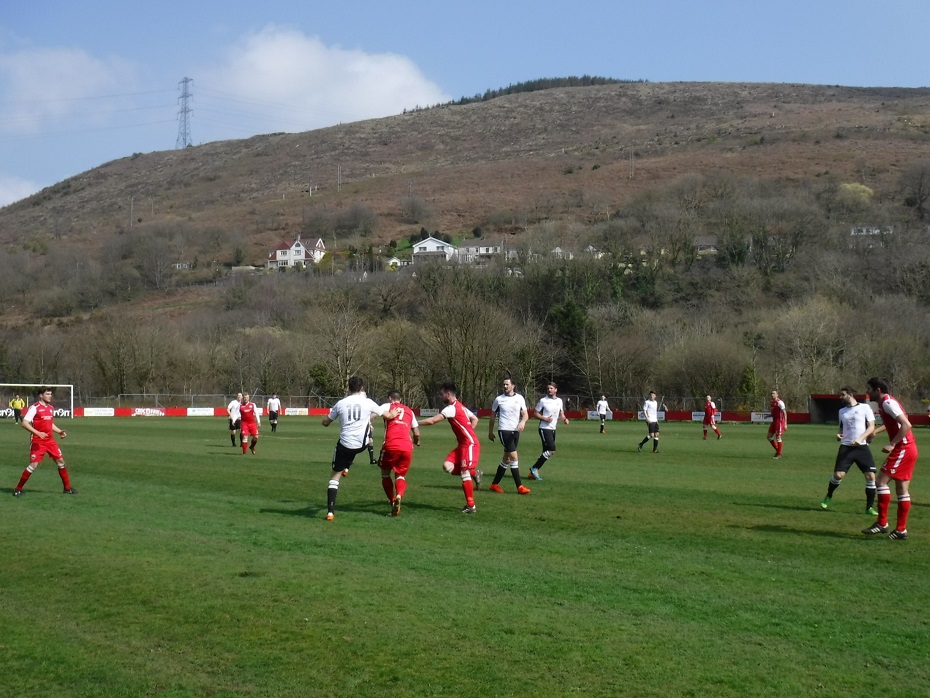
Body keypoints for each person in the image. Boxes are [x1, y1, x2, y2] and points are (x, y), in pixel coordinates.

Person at [322, 377, 398, 521]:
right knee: (366, 436)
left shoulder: (341, 403)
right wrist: (394, 414)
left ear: (348, 388)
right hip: (362, 445)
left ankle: (330, 512)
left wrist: (324, 421)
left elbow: (326, 422)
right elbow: (388, 415)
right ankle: (347, 467)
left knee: (334, 476)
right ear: (362, 388)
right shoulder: (368, 402)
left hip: (345, 445)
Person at [862, 377, 918, 540]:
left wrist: (892, 444)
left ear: (877, 389)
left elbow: (907, 425)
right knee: (901, 490)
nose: (867, 392)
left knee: (880, 482)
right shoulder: (886, 402)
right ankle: (901, 530)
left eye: (869, 388)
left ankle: (882, 523)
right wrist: (874, 432)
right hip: (908, 448)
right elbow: (895, 422)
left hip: (903, 448)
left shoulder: (887, 403)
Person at [419, 381, 482, 513]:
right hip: (464, 444)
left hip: (469, 444)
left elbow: (432, 421)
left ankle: (471, 505)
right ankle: (475, 473)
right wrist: (468, 432)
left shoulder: (451, 408)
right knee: (447, 466)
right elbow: (475, 419)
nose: (440, 397)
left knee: (464, 472)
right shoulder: (461, 406)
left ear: (448, 394)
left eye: (441, 394)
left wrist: (413, 423)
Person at [821, 387, 877, 515]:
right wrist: (839, 435)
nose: (840, 397)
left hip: (862, 447)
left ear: (850, 394)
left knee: (870, 476)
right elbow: (842, 428)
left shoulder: (865, 408)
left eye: (842, 394)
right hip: (846, 447)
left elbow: (872, 427)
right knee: (838, 475)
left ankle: (869, 508)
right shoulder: (842, 411)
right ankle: (829, 495)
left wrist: (860, 438)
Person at [12, 387, 76, 496]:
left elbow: (50, 424)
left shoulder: (51, 408)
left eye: (50, 394)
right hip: (38, 441)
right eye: (47, 394)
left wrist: (59, 431)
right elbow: (25, 423)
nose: (50, 396)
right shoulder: (34, 408)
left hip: (50, 441)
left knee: (61, 462)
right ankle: (18, 489)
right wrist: (37, 433)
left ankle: (67, 488)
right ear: (41, 395)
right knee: (34, 465)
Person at [378, 389, 420, 516]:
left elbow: (374, 413)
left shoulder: (387, 406)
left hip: (391, 445)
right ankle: (399, 495)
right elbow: (417, 433)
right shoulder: (409, 411)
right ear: (400, 399)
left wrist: (368, 422)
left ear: (390, 398)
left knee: (385, 474)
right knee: (400, 475)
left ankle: (392, 501)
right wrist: (416, 441)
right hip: (406, 446)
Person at [487, 377, 531, 494]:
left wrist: (522, 422)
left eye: (507, 384)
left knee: (506, 459)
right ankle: (520, 487)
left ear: (513, 386)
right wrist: (490, 432)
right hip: (504, 431)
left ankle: (494, 484)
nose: (505, 386)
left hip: (515, 432)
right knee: (514, 457)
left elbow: (526, 415)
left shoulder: (519, 398)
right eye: (504, 385)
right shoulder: (499, 399)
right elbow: (492, 417)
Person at [528, 381, 570, 480]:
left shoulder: (559, 401)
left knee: (545, 452)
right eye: (548, 388)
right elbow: (535, 413)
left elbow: (561, 413)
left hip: (553, 429)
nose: (549, 390)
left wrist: (565, 419)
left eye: (551, 388)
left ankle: (532, 473)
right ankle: (534, 468)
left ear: (556, 390)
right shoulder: (543, 401)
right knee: (551, 450)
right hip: (544, 428)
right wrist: (544, 418)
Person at [767, 390, 787, 459]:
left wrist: (785, 424)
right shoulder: (772, 403)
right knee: (769, 437)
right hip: (774, 421)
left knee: (778, 437)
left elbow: (784, 413)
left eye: (773, 393)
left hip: (779, 422)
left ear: (777, 395)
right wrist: (768, 416)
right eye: (771, 393)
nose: (772, 394)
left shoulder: (780, 402)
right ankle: (778, 451)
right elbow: (773, 413)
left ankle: (779, 454)